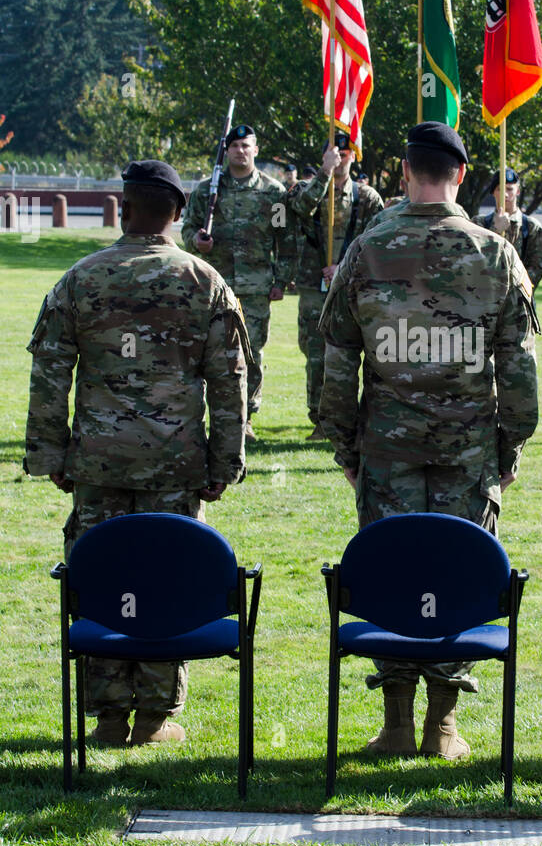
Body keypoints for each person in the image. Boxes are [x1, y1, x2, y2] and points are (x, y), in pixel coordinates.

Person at [318, 121, 539, 761]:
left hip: (386, 448)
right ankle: (441, 723)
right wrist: (510, 447)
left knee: (390, 569)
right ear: (461, 175)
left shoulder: (367, 248)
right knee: (457, 571)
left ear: (405, 172)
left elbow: (336, 357)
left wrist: (345, 445)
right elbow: (519, 369)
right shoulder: (494, 253)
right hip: (468, 451)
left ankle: (395, 723)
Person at [24, 160, 249, 746]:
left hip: (98, 461)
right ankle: (154, 714)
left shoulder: (80, 279)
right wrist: (226, 463)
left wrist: (50, 454)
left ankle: (107, 715)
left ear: (124, 209)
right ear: (177, 213)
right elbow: (230, 384)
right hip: (175, 465)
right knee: (165, 575)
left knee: (101, 575)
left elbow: (49, 373)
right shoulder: (204, 282)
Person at [182, 123, 290, 439]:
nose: (240, 151)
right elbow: (188, 229)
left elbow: (285, 239)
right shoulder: (207, 190)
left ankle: (245, 418)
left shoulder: (274, 192)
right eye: (235, 146)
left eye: (246, 146)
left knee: (251, 353)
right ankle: (210, 414)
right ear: (226, 151)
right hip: (214, 287)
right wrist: (196, 243)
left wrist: (281, 280)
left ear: (256, 150)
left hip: (255, 288)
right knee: (211, 351)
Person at [285, 130, 384, 438]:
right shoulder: (307, 188)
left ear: (354, 155)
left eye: (345, 152)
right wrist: (325, 174)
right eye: (333, 153)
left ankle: (351, 419)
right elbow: (300, 207)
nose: (340, 157)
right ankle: (320, 420)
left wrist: (344, 266)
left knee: (352, 352)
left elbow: (378, 241)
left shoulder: (367, 198)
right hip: (315, 287)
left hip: (352, 286)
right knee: (316, 355)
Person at [473, 166, 542, 291]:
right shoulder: (478, 224)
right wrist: (495, 231)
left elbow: (537, 266)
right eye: (499, 189)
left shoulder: (531, 226)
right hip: (487, 296)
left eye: (509, 189)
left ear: (518, 191)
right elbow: (475, 261)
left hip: (519, 299)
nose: (505, 194)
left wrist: (514, 286)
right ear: (492, 192)